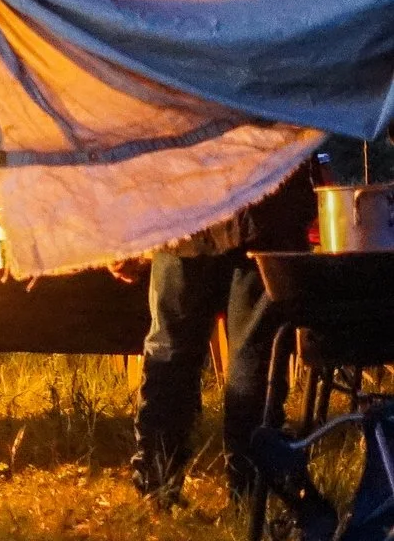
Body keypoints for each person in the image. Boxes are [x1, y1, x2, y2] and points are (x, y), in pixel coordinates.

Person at [128, 172, 311, 502]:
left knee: (181, 352)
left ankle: (160, 486)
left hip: (191, 206)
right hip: (251, 206)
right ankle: (249, 491)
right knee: (247, 358)